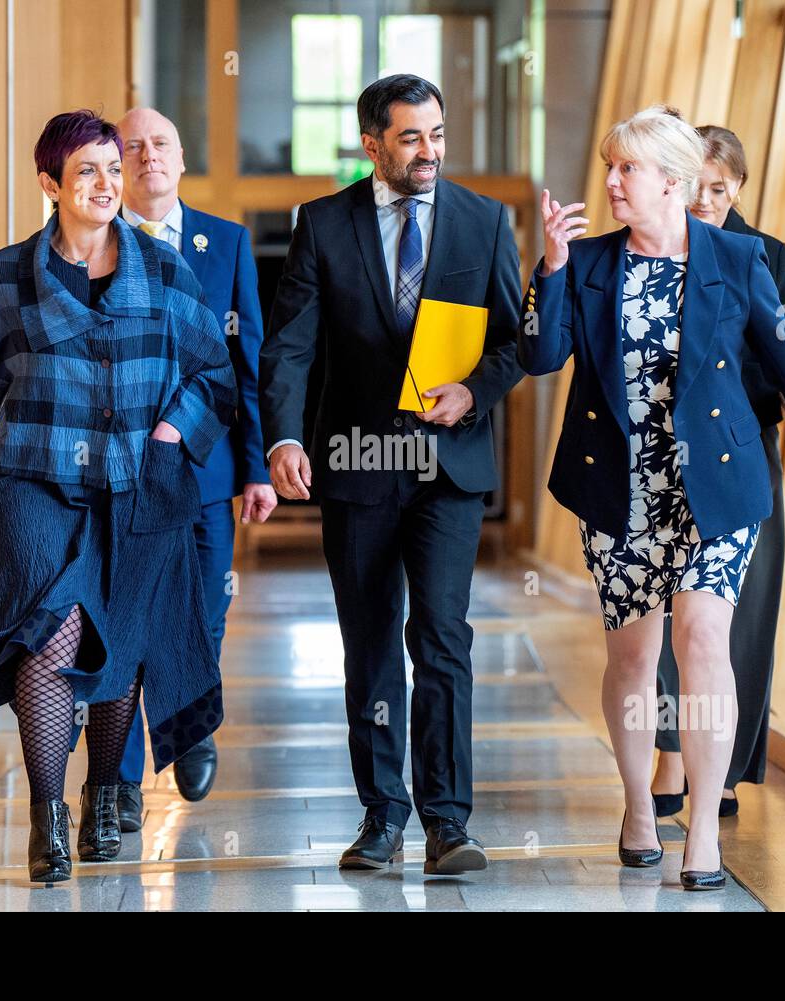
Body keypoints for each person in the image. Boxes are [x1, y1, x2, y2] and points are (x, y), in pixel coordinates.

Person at [517, 105, 785, 889]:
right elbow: (540, 355)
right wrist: (548, 265)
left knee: (704, 634)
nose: (611, 181)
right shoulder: (588, 263)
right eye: (610, 167)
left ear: (673, 183)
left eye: (628, 169)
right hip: (621, 485)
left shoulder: (738, 258)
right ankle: (641, 807)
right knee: (634, 657)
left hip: (716, 482)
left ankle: (705, 830)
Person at [0, 109, 236, 883]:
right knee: (49, 640)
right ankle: (48, 817)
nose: (108, 184)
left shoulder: (165, 271)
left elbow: (215, 372)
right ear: (50, 184)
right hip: (34, 487)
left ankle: (106, 790)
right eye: (88, 172)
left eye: (114, 169)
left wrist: (176, 429)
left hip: (139, 489)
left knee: (122, 644)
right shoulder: (10, 273)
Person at [260, 74, 524, 874]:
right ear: (372, 144)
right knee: (370, 643)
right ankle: (382, 815)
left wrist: (475, 390)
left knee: (442, 635)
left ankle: (449, 820)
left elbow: (515, 342)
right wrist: (281, 438)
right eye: (411, 138)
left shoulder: (484, 221)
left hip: (447, 468)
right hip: (358, 463)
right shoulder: (323, 223)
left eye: (437, 134)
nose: (429, 152)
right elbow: (292, 344)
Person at [650, 125, 785, 820]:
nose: (704, 201)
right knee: (674, 610)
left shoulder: (767, 256)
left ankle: (721, 765)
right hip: (664, 452)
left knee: (741, 615)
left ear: (741, 189)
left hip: (745, 450)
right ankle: (672, 754)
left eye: (719, 190)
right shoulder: (658, 248)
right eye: (693, 186)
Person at [109, 106, 278, 830]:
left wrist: (259, 467)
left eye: (161, 146)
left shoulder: (227, 242)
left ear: (181, 160)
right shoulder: (96, 242)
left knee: (206, 608)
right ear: (117, 167)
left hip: (205, 470)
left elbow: (250, 365)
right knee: (124, 619)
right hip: (118, 469)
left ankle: (192, 723)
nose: (148, 157)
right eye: (132, 148)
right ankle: (115, 777)